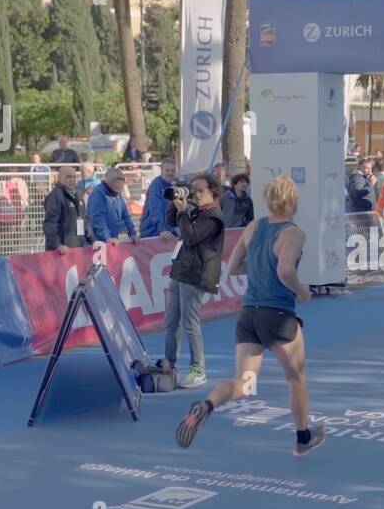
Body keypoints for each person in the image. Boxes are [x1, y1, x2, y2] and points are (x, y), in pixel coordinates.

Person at [175, 176, 327, 457]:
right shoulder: (293, 233)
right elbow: (284, 271)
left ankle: (206, 405)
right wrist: (303, 291)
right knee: (296, 378)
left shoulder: (254, 227)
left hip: (249, 316)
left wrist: (260, 265)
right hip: (278, 315)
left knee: (244, 384)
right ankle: (303, 437)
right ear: (292, 200)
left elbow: (233, 268)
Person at [163, 174, 227, 389]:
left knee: (190, 324)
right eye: (193, 190)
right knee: (171, 322)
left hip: (197, 273)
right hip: (180, 269)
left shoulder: (214, 217)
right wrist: (176, 204)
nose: (195, 194)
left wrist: (183, 212)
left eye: (200, 191)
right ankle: (169, 364)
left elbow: (190, 237)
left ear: (213, 192)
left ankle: (198, 370)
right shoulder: (194, 209)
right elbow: (171, 221)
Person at [43, 166, 92, 254]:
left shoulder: (78, 195)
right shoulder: (55, 196)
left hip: (77, 249)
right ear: (60, 178)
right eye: (68, 177)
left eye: (74, 177)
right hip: (61, 252)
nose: (72, 180)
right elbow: (50, 224)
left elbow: (84, 221)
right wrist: (57, 245)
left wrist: (93, 240)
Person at [88, 167, 139, 245]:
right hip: (99, 242)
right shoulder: (98, 194)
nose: (117, 193)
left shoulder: (117, 193)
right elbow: (98, 220)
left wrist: (132, 233)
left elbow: (125, 215)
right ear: (110, 183)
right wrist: (107, 238)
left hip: (113, 238)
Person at [139, 158, 179, 238]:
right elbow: (155, 209)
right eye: (167, 170)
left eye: (173, 170)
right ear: (162, 171)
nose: (170, 173)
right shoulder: (156, 185)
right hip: (152, 232)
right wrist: (162, 230)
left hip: (168, 231)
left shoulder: (175, 185)